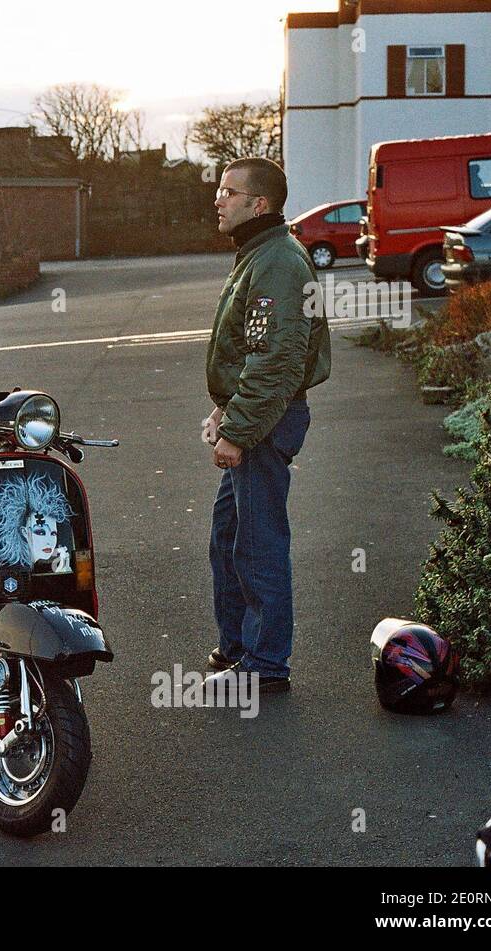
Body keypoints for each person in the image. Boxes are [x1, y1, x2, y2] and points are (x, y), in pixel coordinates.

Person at [201, 157, 330, 694]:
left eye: (230, 192)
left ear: (261, 204)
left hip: (265, 424)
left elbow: (275, 360)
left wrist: (237, 431)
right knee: (230, 534)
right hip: (254, 416)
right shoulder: (258, 254)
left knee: (258, 544)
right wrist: (222, 411)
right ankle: (240, 648)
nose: (218, 199)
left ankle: (264, 664)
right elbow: (251, 352)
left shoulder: (277, 261)